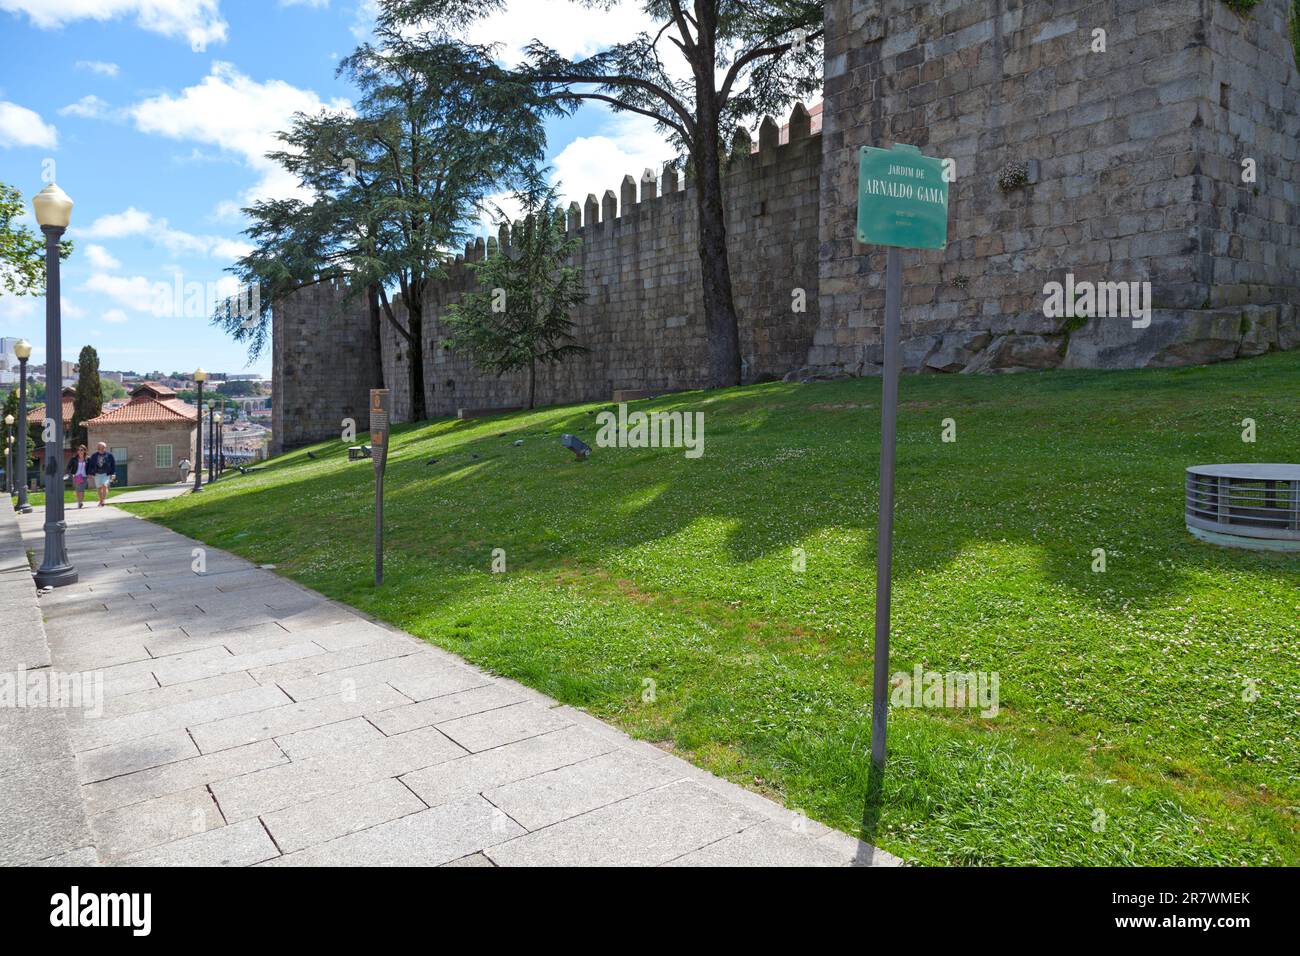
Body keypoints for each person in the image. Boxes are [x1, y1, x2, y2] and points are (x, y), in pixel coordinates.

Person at [86, 442, 116, 507]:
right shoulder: (94, 455)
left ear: (105, 448)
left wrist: (113, 473)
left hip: (106, 473)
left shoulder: (109, 455)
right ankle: (100, 500)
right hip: (97, 474)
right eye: (100, 447)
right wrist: (89, 473)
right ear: (98, 448)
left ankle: (103, 500)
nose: (101, 449)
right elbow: (90, 465)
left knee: (105, 486)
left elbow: (113, 465)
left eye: (103, 447)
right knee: (99, 488)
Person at [66, 445, 90, 509]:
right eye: (78, 450)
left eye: (81, 450)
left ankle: (80, 502)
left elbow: (90, 467)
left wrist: (89, 474)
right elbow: (69, 466)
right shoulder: (74, 459)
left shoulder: (88, 459)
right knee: (78, 489)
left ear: (84, 451)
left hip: (84, 476)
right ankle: (79, 502)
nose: (80, 451)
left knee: (81, 490)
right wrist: (68, 473)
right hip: (76, 476)